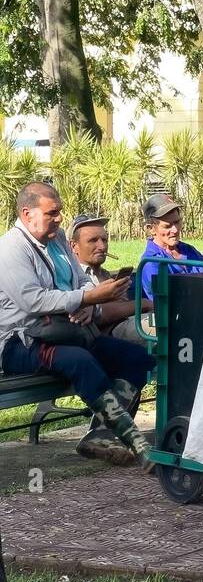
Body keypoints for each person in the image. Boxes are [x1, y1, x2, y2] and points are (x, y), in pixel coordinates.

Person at [0, 183, 154, 469]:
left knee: (137, 358)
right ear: (27, 213)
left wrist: (88, 305)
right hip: (21, 343)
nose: (59, 219)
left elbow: (81, 281)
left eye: (59, 212)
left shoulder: (57, 239)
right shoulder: (10, 249)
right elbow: (34, 301)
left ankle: (100, 435)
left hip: (67, 333)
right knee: (81, 360)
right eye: (52, 213)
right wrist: (87, 298)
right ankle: (137, 443)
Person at [70, 215, 152, 346]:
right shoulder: (74, 276)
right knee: (163, 327)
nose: (102, 246)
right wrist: (143, 304)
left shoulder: (104, 273)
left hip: (127, 324)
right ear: (74, 246)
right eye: (93, 240)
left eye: (104, 240)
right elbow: (99, 316)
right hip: (104, 338)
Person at [139, 195, 203, 300]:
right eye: (167, 226)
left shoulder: (189, 251)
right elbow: (162, 302)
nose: (175, 230)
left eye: (177, 222)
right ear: (152, 229)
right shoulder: (151, 262)